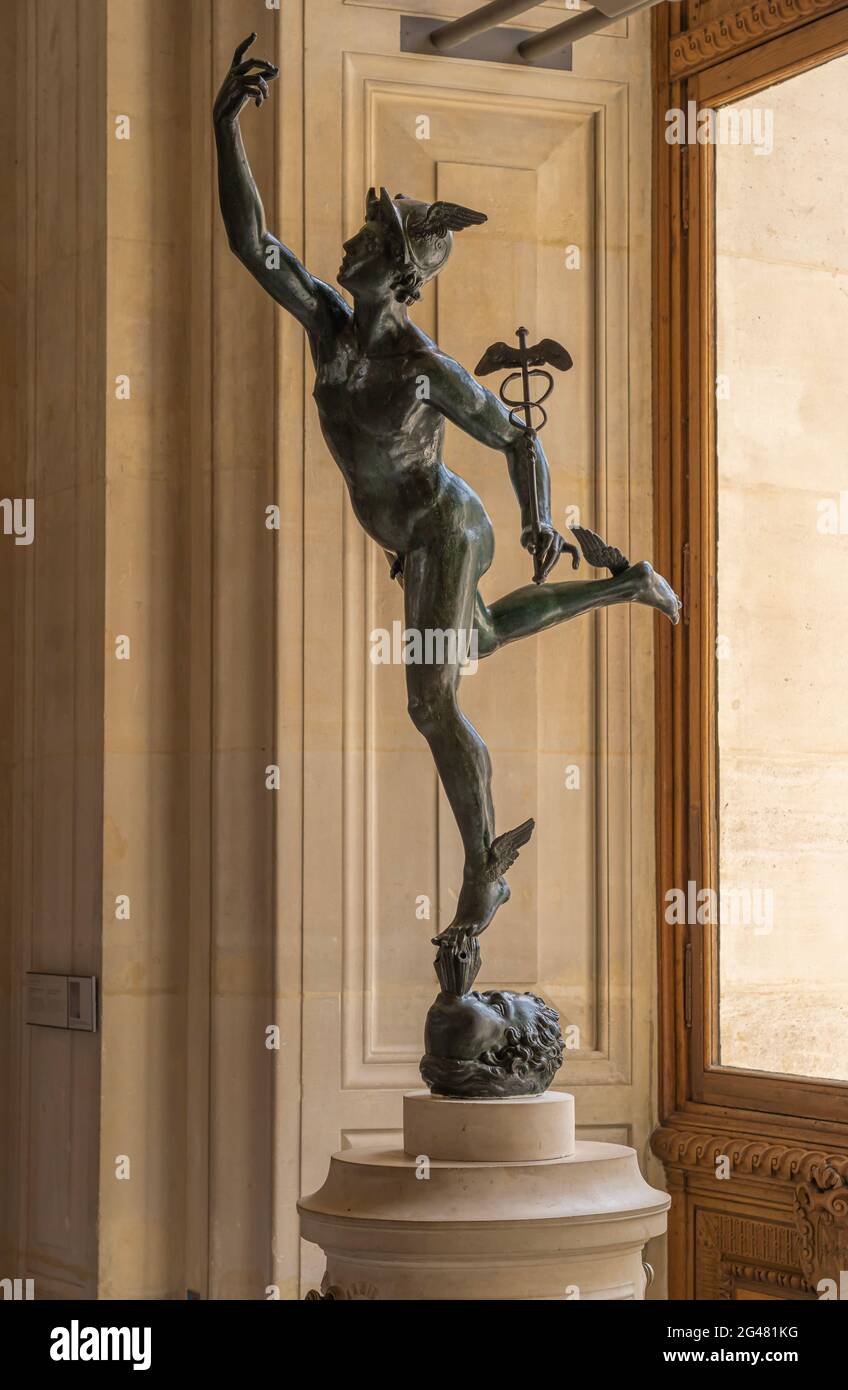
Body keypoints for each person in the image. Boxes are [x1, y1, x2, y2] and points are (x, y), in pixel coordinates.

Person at [214, 34, 681, 944]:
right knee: (485, 633)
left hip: (444, 526)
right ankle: (627, 584)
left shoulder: (427, 368)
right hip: (410, 540)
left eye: (363, 239)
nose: (344, 244)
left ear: (396, 269)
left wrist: (540, 515)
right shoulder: (330, 327)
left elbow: (517, 438)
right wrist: (224, 125)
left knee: (430, 696)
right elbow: (253, 243)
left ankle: (483, 869)